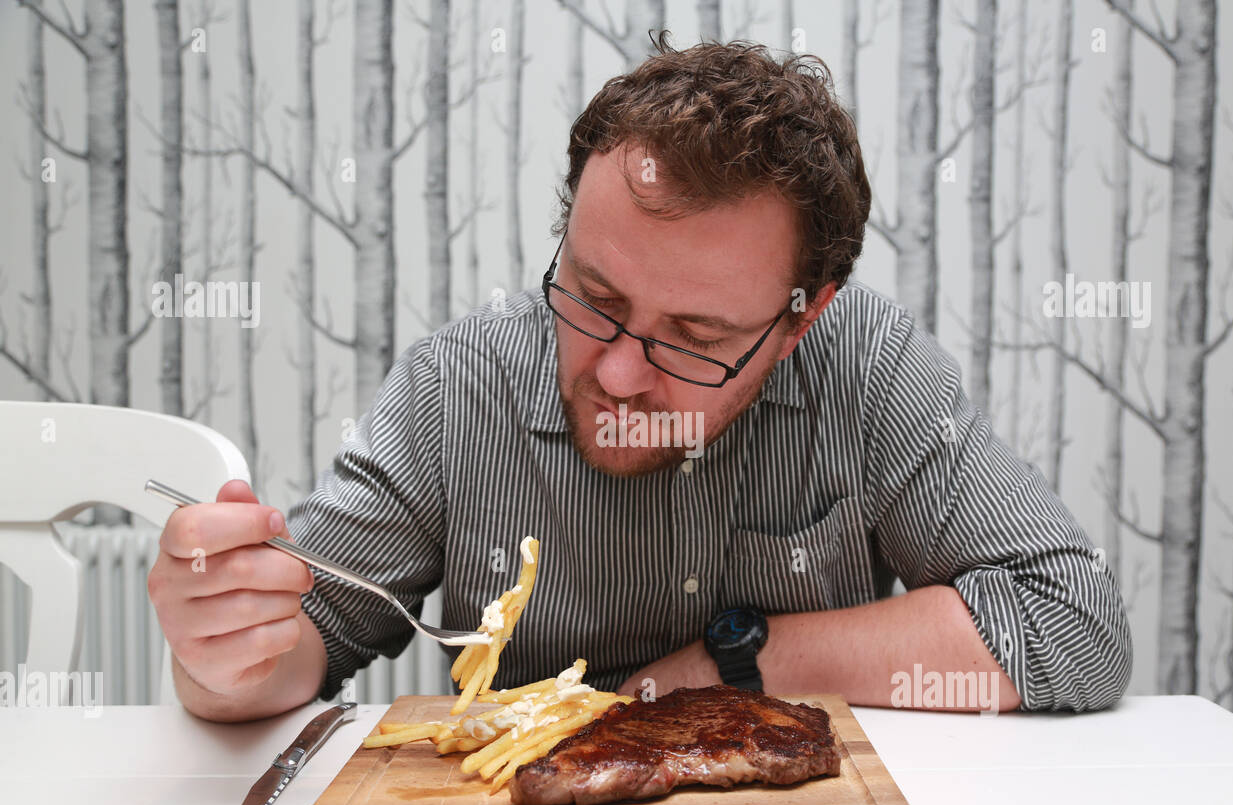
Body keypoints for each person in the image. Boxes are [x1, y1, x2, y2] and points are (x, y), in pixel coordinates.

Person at [148, 34, 1131, 723]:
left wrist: (738, 662)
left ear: (802, 322)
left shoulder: (866, 367)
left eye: (695, 334)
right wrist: (220, 650)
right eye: (593, 295)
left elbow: (1071, 620)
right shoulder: (456, 388)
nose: (617, 373)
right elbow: (304, 639)